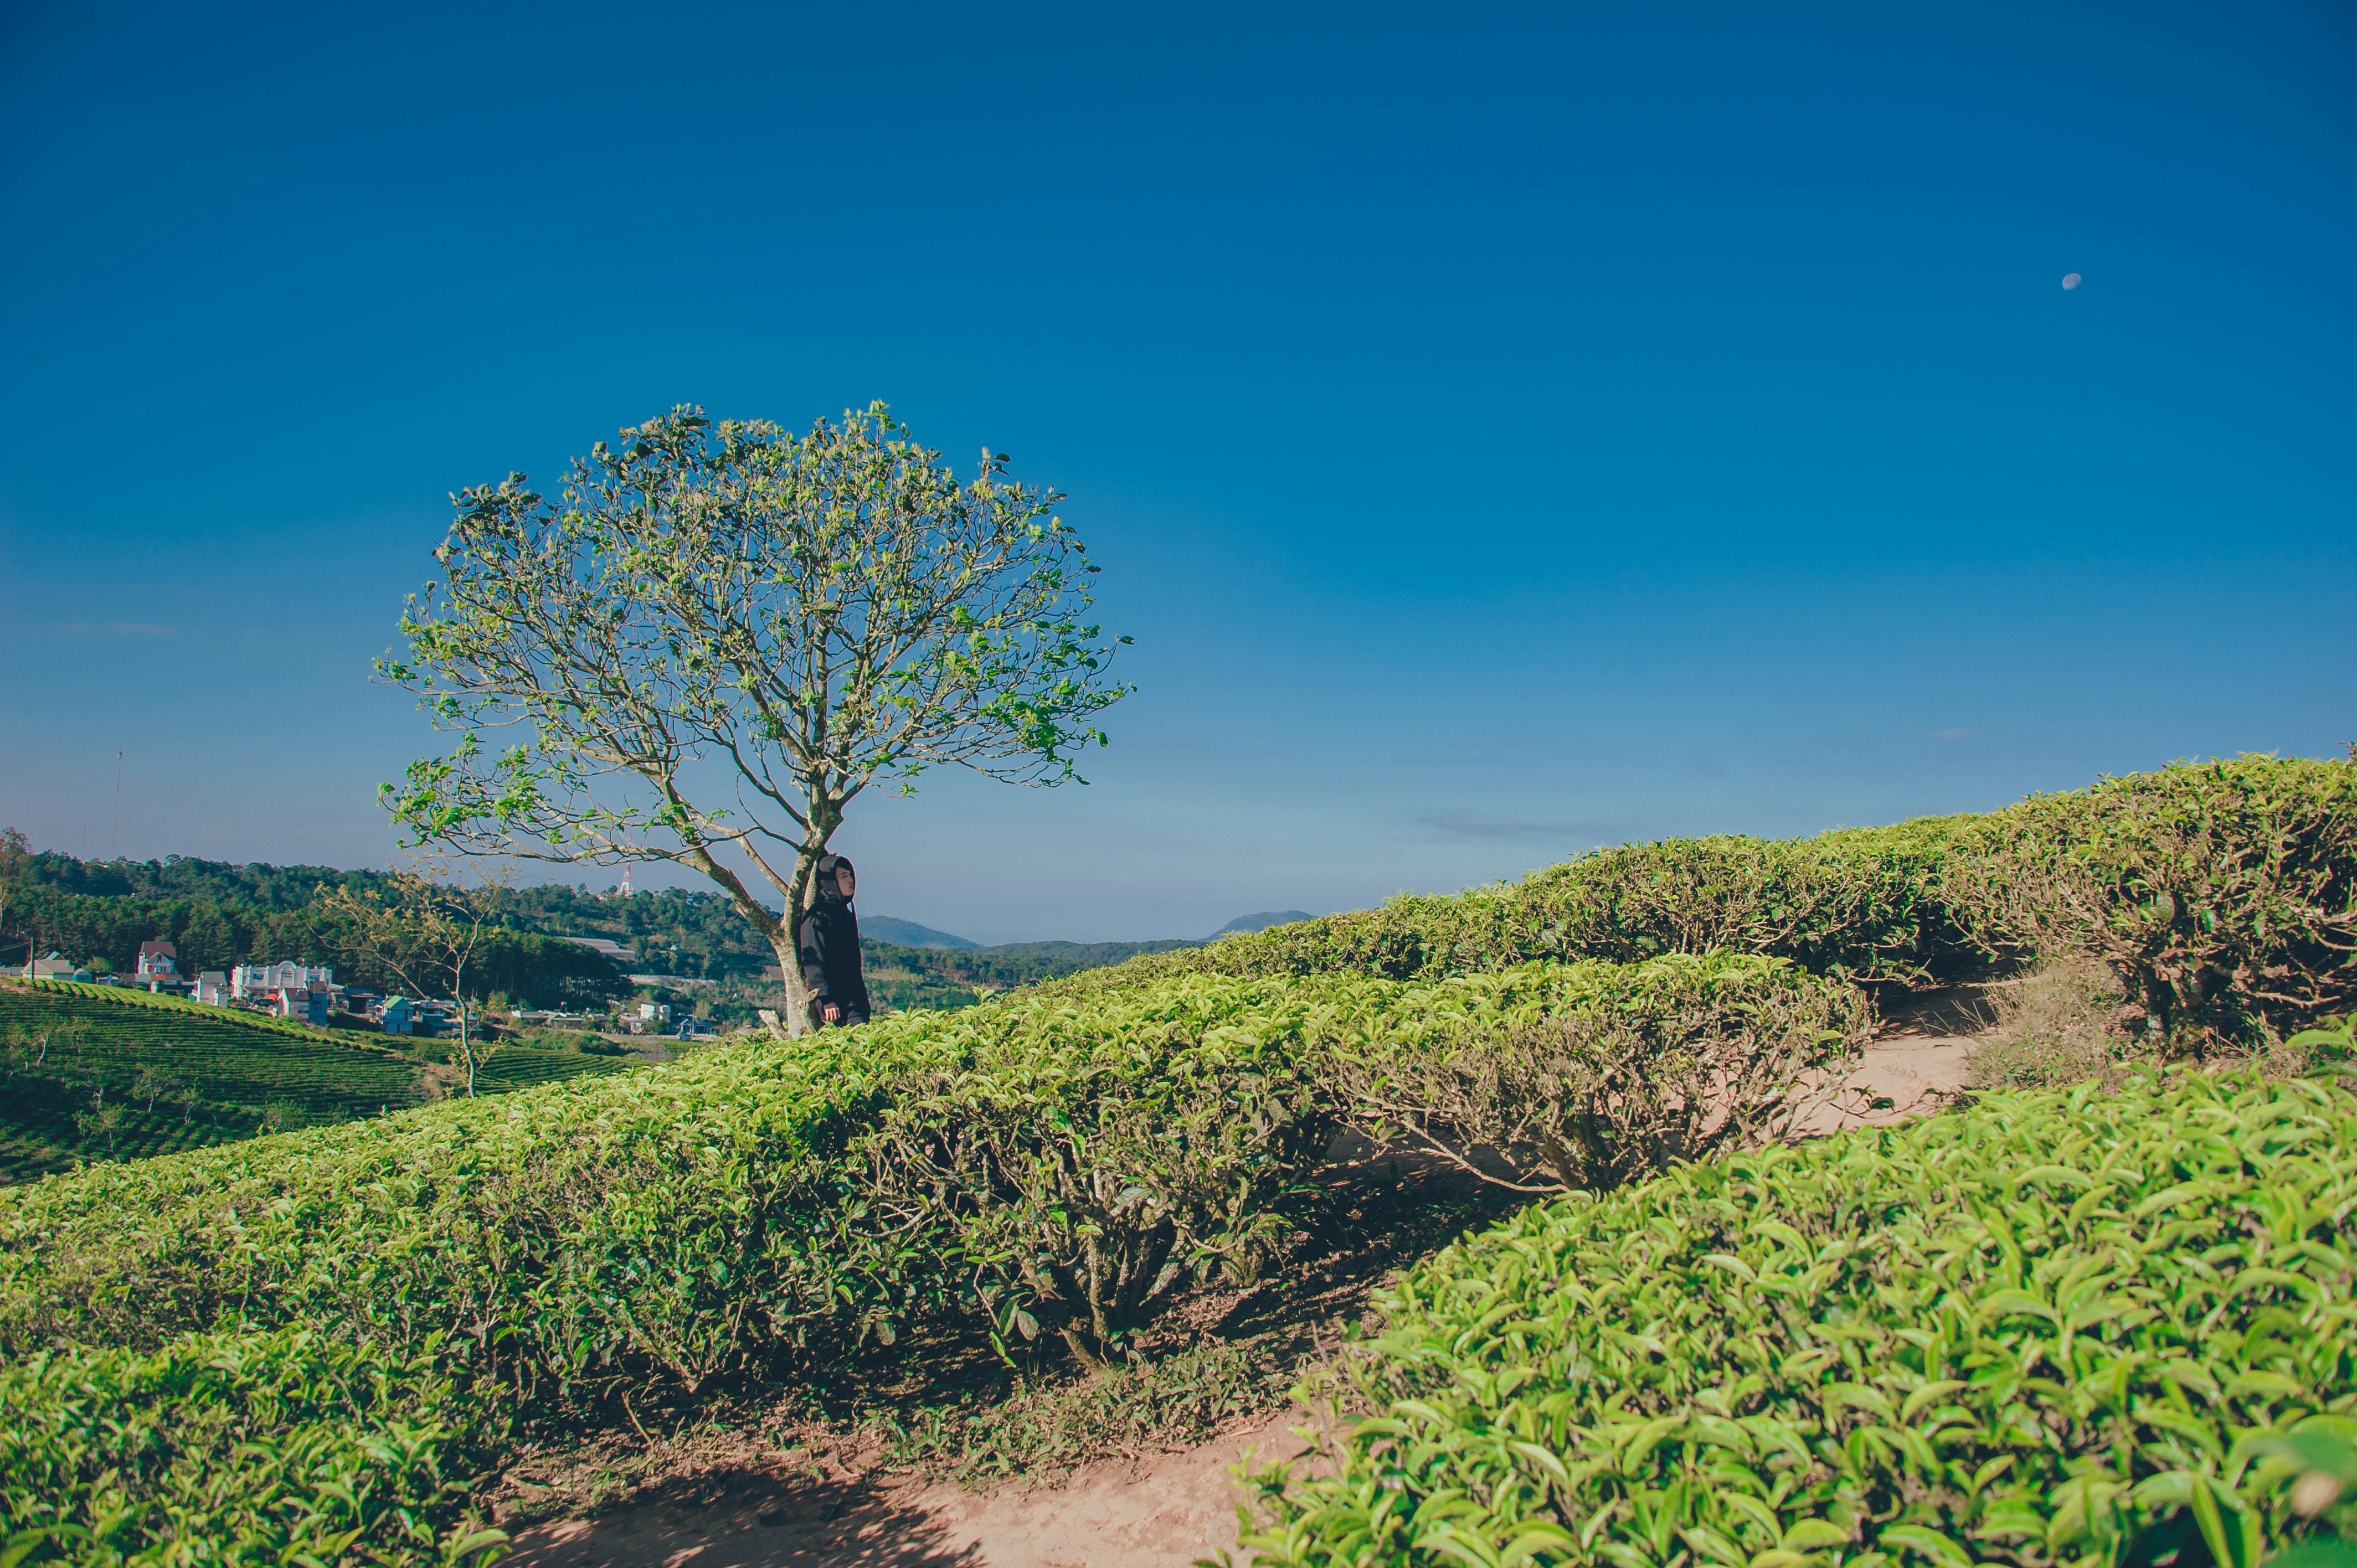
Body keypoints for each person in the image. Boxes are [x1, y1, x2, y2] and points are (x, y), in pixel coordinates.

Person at [795, 852, 871, 1029]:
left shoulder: (844, 912)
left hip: (855, 1001)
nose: (851, 880)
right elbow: (813, 959)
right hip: (835, 1006)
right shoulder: (818, 917)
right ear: (831, 881)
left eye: (851, 875)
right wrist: (826, 999)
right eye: (844, 877)